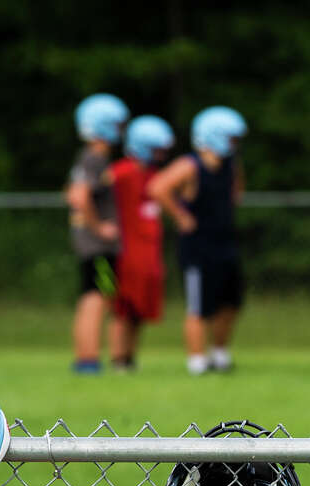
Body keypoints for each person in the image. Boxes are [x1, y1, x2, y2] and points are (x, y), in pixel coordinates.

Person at [148, 106, 247, 375]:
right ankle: (197, 360)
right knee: (199, 305)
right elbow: (157, 188)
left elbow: (236, 193)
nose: (235, 144)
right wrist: (181, 216)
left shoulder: (231, 166)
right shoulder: (189, 166)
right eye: (231, 138)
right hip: (198, 247)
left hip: (225, 242)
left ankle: (220, 353)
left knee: (230, 302)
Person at [66, 93, 129, 374]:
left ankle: (85, 359)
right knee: (98, 297)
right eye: (117, 124)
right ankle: (88, 360)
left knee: (89, 295)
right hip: (96, 244)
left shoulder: (87, 157)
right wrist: (100, 227)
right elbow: (79, 196)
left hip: (86, 242)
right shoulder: (95, 158)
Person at [107, 115, 175, 372]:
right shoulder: (121, 172)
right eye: (157, 149)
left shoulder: (155, 176)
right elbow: (91, 190)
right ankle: (116, 359)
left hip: (149, 254)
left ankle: (129, 357)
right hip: (125, 253)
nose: (161, 155)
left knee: (139, 311)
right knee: (122, 308)